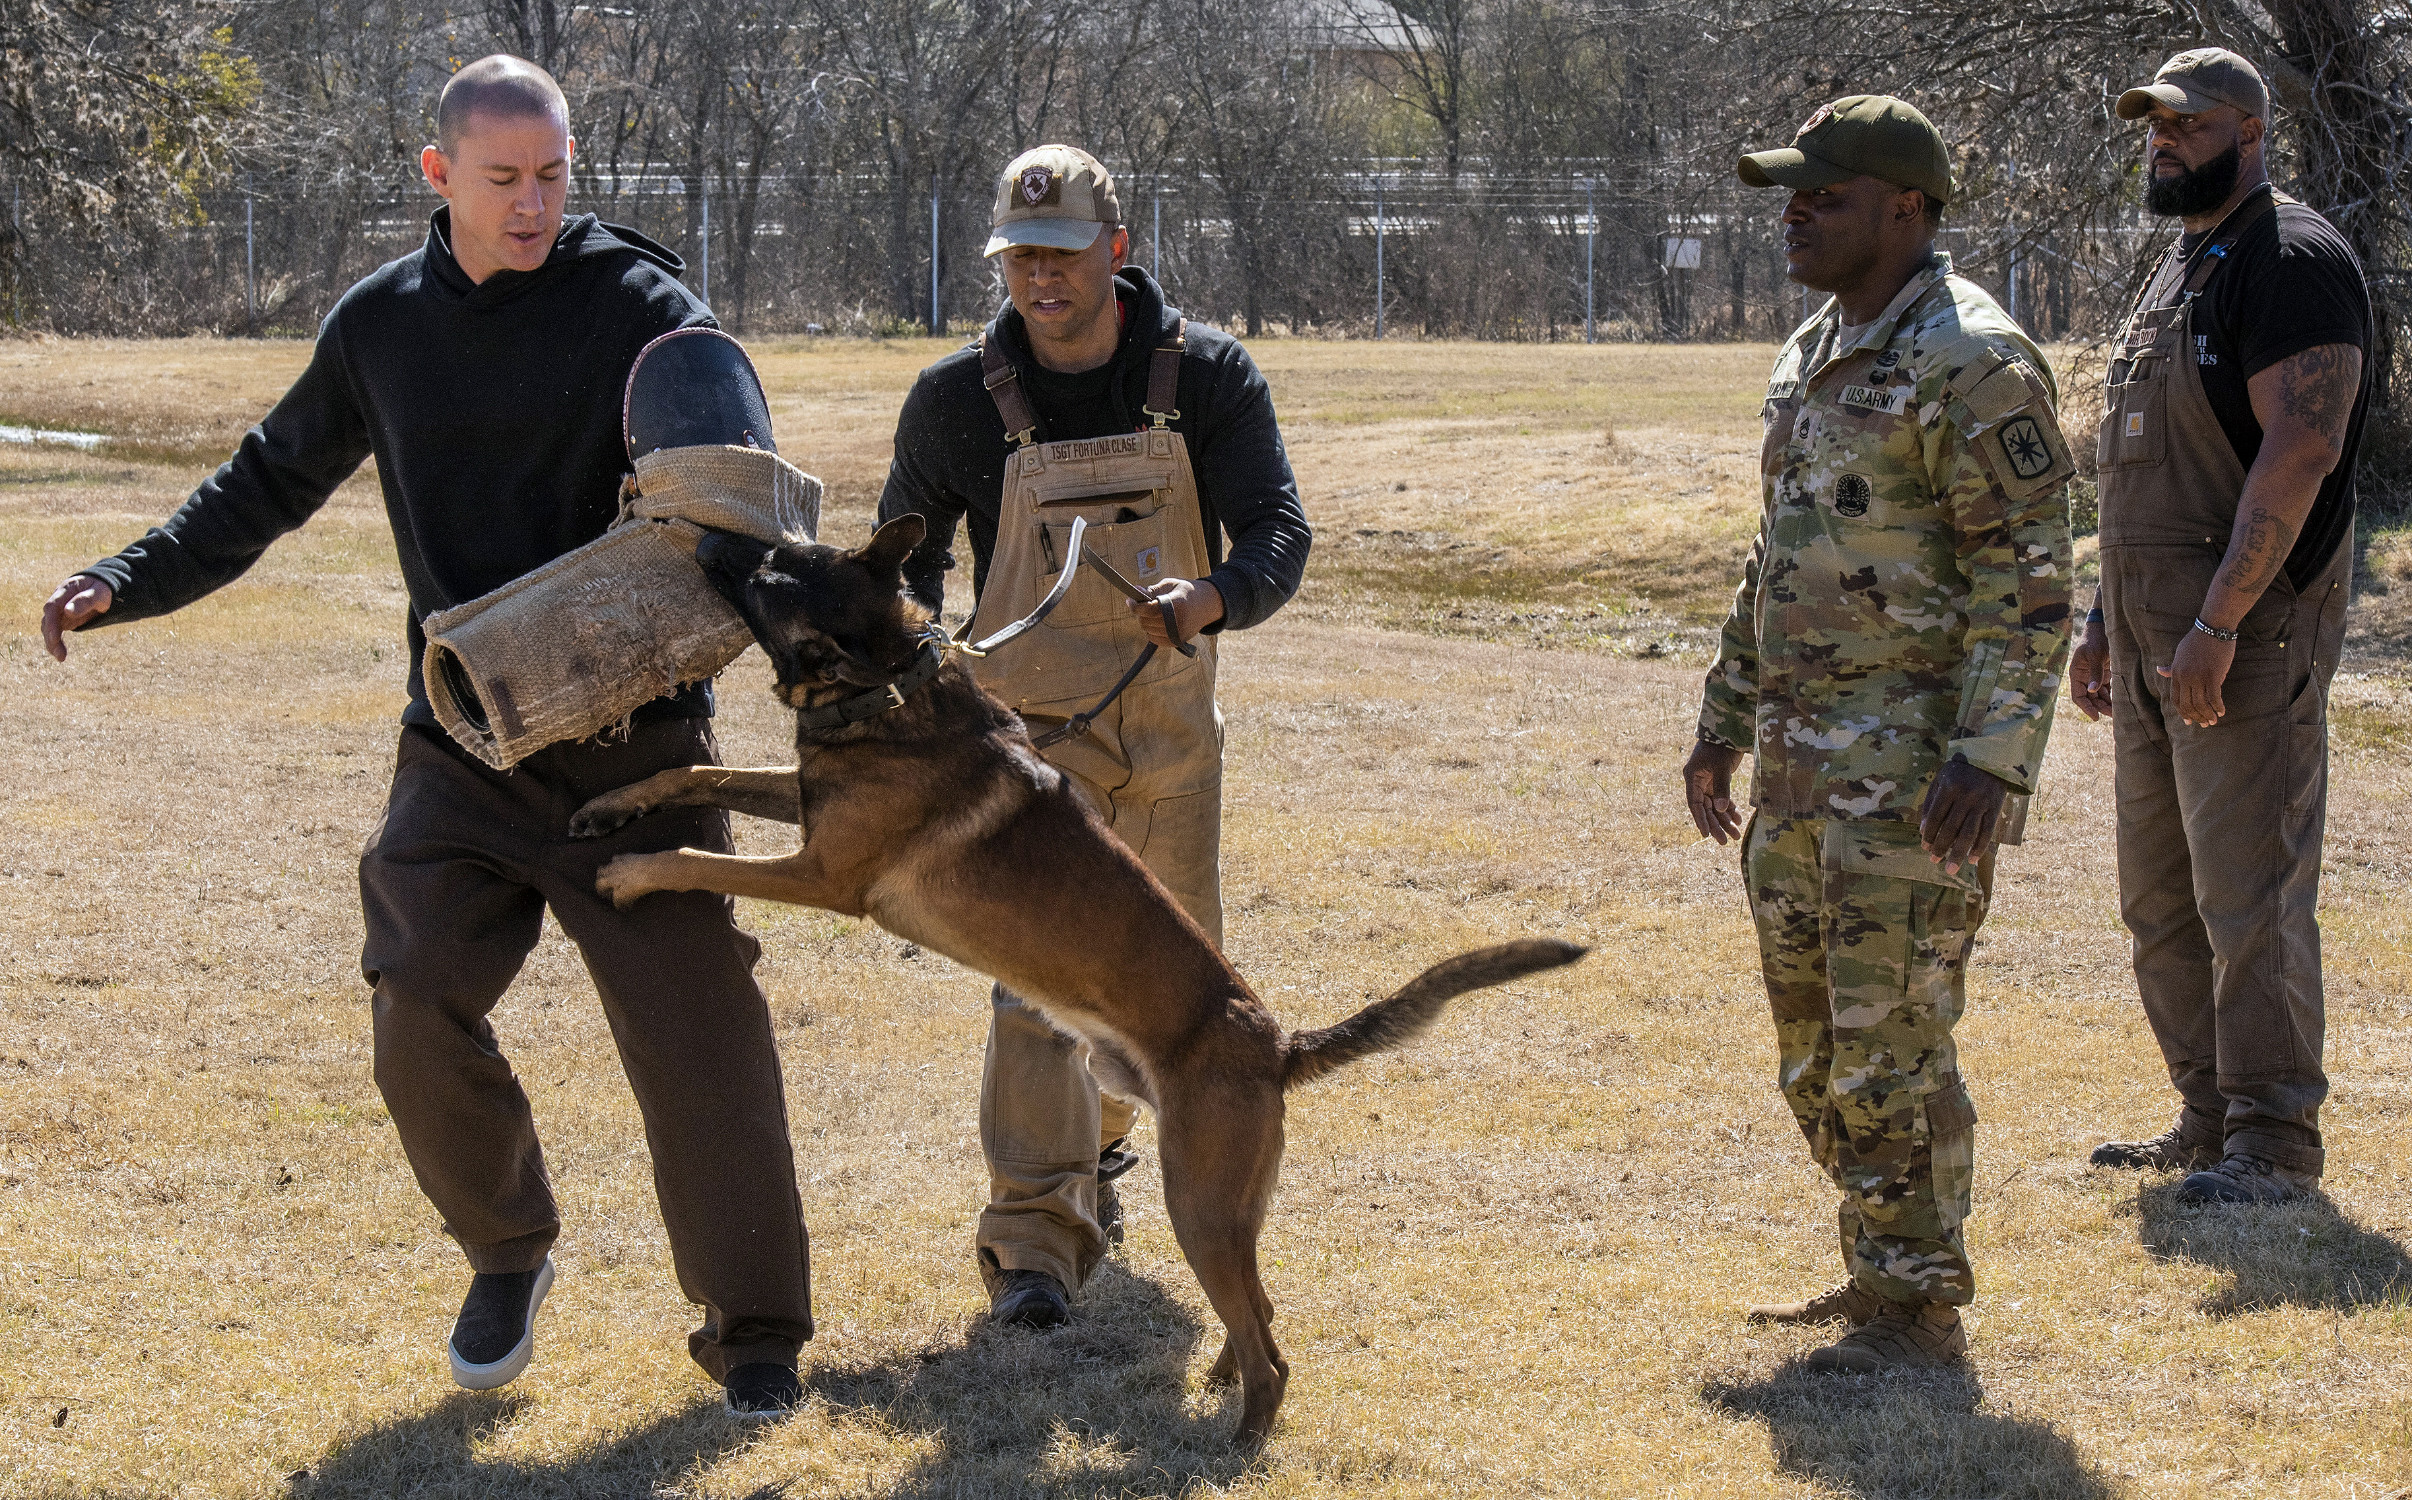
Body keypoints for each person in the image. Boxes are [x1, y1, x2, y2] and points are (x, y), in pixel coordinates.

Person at [38, 56, 814, 1417]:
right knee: (412, 1003)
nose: (531, 206)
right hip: (461, 741)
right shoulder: (381, 325)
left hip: (639, 757)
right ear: (437, 174)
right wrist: (130, 575)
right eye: (503, 179)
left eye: (554, 178)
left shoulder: (643, 311)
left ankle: (755, 1335)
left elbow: (736, 502)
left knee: (702, 1035)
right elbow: (268, 480)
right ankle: (510, 1248)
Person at [876, 144, 1311, 1328]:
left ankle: (1107, 1142)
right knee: (1035, 992)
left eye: (1063, 254)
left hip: (1167, 742)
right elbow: (901, 570)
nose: (1040, 278)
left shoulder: (1208, 375)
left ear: (1116, 250)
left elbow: (1279, 532)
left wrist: (1211, 598)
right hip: (1023, 756)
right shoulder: (954, 400)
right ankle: (1033, 1245)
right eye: (1019, 256)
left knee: (1168, 999)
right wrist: (920, 682)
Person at [1682, 95, 2075, 1370]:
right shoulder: (1810, 351)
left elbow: (2031, 579)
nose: (1795, 213)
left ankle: (1918, 1307)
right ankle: (1877, 1265)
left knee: (1892, 1051)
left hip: (1914, 787)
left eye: (1825, 194)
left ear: (1907, 210)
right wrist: (1720, 723)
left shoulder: (1974, 363)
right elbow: (1776, 556)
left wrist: (1992, 760)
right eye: (1792, 193)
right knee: (1814, 1059)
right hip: (1800, 776)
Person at [2080, 49, 2372, 1206]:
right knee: (2160, 897)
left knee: (2251, 899)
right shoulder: (2181, 262)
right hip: (2155, 639)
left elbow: (2301, 451)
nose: (2160, 140)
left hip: (2241, 639)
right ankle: (2204, 1119)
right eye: (2151, 123)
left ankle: (2273, 1143)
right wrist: (2106, 616)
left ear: (2248, 131)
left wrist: (2217, 624)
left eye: (2184, 125)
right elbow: (2138, 473)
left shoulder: (2290, 260)